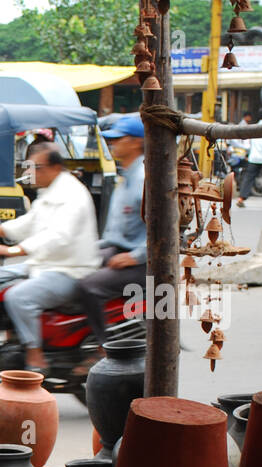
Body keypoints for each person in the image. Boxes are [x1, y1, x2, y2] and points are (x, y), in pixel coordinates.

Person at [0, 141, 100, 373]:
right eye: (29, 166)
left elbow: (58, 238)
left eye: (36, 167)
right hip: (44, 265)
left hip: (70, 271)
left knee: (18, 297)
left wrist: (10, 251)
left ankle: (35, 355)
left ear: (54, 167)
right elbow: (29, 223)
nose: (30, 173)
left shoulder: (72, 195)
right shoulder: (50, 192)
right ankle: (11, 339)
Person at [74, 113, 148, 364]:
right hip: (119, 248)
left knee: (89, 285)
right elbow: (113, 234)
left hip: (143, 262)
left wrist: (133, 257)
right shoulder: (125, 176)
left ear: (136, 142)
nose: (113, 144)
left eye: (119, 139)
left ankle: (103, 346)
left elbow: (166, 233)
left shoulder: (142, 179)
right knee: (74, 268)